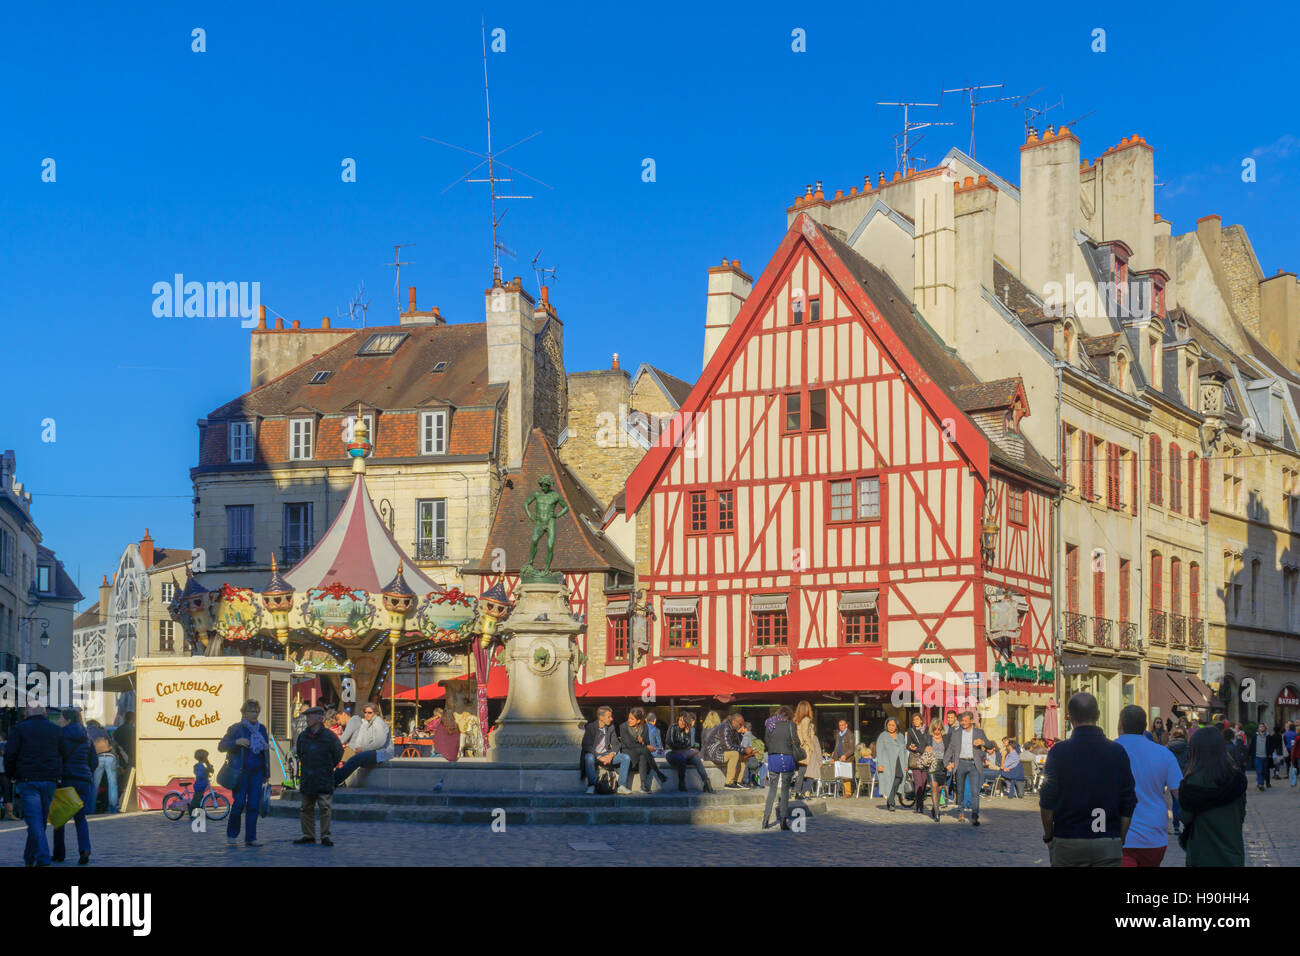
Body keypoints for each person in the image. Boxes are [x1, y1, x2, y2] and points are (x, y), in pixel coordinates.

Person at [1039, 693, 1137, 867]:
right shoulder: (1117, 752)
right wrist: (1119, 837)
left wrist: (1049, 835)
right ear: (1098, 715)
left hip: (1068, 840)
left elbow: (1047, 800)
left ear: (1070, 718)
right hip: (1107, 839)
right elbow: (1128, 801)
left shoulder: (1059, 752)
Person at [1115, 705, 1182, 867]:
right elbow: (1179, 792)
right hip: (1153, 834)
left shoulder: (1109, 751)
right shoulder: (1164, 753)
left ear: (1120, 725)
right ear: (1145, 726)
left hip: (1118, 833)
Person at [3, 705, 64, 866]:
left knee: (35, 821)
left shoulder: (19, 729)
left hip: (28, 779)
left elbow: (10, 755)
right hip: (49, 779)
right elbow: (62, 754)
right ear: (44, 712)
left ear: (26, 713)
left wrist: (11, 775)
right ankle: (29, 857)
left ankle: (43, 857)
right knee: (40, 821)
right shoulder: (55, 729)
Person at [1178, 726, 1247, 867]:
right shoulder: (1236, 779)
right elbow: (1241, 815)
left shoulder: (1192, 782)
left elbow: (1185, 817)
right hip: (1232, 853)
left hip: (1202, 855)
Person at [217, 699, 272, 847]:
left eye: (257, 711)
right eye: (251, 711)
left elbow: (265, 751)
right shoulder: (236, 729)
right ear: (244, 713)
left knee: (254, 805)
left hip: (257, 772)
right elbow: (221, 746)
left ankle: (251, 838)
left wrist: (267, 772)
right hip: (240, 773)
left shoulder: (262, 729)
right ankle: (232, 835)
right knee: (239, 803)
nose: (255, 714)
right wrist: (236, 742)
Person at [295, 705, 344, 846]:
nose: (308, 719)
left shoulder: (329, 736)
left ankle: (325, 835)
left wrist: (328, 766)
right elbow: (300, 753)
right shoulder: (303, 736)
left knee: (325, 808)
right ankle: (308, 835)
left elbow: (338, 753)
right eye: (307, 716)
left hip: (324, 777)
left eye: (310, 716)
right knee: (306, 808)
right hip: (308, 777)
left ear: (319, 718)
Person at [52, 709, 96, 866]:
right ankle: (85, 849)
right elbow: (94, 761)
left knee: (60, 817)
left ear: (68, 720)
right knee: (80, 817)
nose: (59, 720)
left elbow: (57, 757)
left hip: (65, 780)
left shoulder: (60, 735)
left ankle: (59, 853)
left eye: (61, 718)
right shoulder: (86, 736)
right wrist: (86, 772)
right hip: (83, 780)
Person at [943, 710, 994, 825]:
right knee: (960, 790)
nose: (963, 723)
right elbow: (951, 748)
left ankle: (975, 815)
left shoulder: (979, 732)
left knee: (975, 791)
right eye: (962, 721)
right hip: (960, 763)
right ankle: (960, 813)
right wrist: (946, 762)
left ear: (971, 721)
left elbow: (991, 745)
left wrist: (983, 742)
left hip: (974, 764)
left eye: (966, 721)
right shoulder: (956, 733)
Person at [334, 702, 394, 786]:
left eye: (370, 713)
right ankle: (337, 779)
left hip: (380, 753)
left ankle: (336, 779)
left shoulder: (378, 723)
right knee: (354, 759)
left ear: (376, 713)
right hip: (371, 752)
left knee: (355, 759)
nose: (367, 715)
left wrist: (362, 749)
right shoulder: (366, 724)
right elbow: (360, 739)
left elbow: (379, 743)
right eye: (365, 712)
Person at [761, 706, 802, 830]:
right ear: (788, 715)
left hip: (773, 758)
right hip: (787, 757)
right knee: (785, 790)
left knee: (772, 790)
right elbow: (796, 742)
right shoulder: (791, 725)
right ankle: (783, 820)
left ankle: (765, 819)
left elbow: (767, 742)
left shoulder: (769, 724)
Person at [581, 706, 632, 795]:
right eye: (609, 717)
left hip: (607, 755)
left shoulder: (610, 728)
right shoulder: (591, 727)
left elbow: (616, 743)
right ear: (601, 717)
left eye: (611, 716)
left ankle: (621, 786)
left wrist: (611, 755)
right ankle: (592, 785)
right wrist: (599, 757)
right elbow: (586, 746)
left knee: (625, 758)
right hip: (594, 755)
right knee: (588, 757)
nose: (611, 719)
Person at [619, 707, 667, 793]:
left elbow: (647, 743)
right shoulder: (623, 727)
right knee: (644, 751)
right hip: (629, 755)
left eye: (632, 719)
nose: (629, 720)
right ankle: (658, 772)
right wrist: (640, 742)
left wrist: (644, 743)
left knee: (643, 755)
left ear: (638, 721)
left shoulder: (645, 727)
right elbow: (628, 745)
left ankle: (643, 785)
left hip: (641, 755)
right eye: (629, 718)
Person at [664, 713, 713, 792]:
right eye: (680, 720)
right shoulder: (673, 727)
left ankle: (706, 782)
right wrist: (683, 745)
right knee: (682, 758)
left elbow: (689, 746)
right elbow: (671, 743)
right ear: (677, 720)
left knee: (696, 759)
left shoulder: (688, 730)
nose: (681, 722)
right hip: (671, 753)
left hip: (684, 754)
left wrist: (686, 735)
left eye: (684, 721)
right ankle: (682, 783)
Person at [703, 713, 749, 789]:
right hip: (714, 752)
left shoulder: (734, 729)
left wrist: (744, 751)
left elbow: (737, 744)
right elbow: (727, 746)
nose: (741, 726)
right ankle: (728, 783)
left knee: (743, 757)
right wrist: (744, 749)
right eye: (740, 724)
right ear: (734, 722)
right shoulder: (725, 728)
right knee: (734, 754)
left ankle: (737, 781)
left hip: (722, 751)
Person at [875, 718, 908, 811]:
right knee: (890, 781)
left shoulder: (901, 736)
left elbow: (904, 751)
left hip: (899, 762)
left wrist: (906, 765)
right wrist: (880, 764)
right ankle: (891, 802)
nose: (891, 727)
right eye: (889, 725)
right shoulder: (883, 736)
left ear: (897, 726)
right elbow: (879, 750)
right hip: (887, 762)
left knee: (898, 779)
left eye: (893, 725)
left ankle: (890, 798)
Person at [86, 719, 118, 813]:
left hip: (98, 758)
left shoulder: (87, 732)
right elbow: (111, 743)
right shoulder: (103, 730)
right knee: (112, 785)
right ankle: (113, 809)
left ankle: (91, 810)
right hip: (110, 757)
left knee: (95, 785)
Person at [792, 700, 822, 796]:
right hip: (806, 749)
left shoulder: (796, 720)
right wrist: (812, 747)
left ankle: (798, 791)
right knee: (806, 772)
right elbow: (805, 735)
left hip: (797, 749)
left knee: (801, 771)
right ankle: (800, 791)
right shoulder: (806, 719)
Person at [920, 720, 947, 821]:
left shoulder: (945, 738)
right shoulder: (928, 737)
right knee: (934, 786)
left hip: (942, 765)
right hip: (932, 764)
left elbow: (949, 749)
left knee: (939, 789)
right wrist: (925, 748)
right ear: (932, 729)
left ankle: (934, 807)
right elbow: (920, 747)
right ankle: (937, 812)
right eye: (935, 729)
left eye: (939, 729)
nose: (937, 731)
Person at [1167, 728, 1190, 836]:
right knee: (1185, 801)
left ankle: (1176, 826)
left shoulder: (1168, 747)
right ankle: (1186, 824)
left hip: (1172, 776)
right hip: (1185, 776)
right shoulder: (1188, 747)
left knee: (1175, 802)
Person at [905, 713, 929, 814]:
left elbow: (929, 743)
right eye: (914, 720)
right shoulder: (911, 731)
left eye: (917, 719)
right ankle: (919, 805)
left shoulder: (927, 730)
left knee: (923, 783)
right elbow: (908, 745)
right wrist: (911, 747)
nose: (915, 721)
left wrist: (920, 749)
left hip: (926, 758)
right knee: (918, 783)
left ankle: (920, 801)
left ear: (921, 720)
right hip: (916, 759)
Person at [191, 749, 213, 813]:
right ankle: (191, 812)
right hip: (199, 786)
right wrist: (206, 770)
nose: (207, 758)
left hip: (203, 785)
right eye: (206, 757)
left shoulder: (202, 765)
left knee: (200, 800)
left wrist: (208, 770)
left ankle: (201, 812)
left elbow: (204, 774)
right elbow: (199, 774)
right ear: (203, 757)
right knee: (196, 801)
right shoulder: (198, 765)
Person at [1252, 723, 1270, 791]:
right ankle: (1260, 784)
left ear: (1265, 728)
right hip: (1257, 756)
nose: (1262, 728)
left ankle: (1261, 782)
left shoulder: (1268, 736)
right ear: (1258, 728)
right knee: (1259, 771)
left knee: (1264, 771)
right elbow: (1252, 746)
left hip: (1265, 757)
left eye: (1263, 727)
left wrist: (1270, 754)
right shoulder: (1255, 736)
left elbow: (1271, 746)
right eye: (1260, 727)